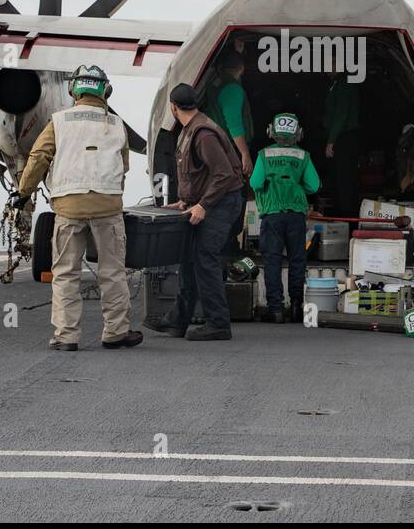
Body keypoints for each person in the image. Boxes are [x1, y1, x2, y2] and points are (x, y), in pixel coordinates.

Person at [14, 65, 141, 352]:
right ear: (105, 91)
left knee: (65, 273)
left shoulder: (59, 121)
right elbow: (124, 166)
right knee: (112, 271)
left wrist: (23, 193)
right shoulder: (116, 124)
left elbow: (38, 158)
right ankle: (116, 332)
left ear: (74, 89)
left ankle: (66, 336)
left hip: (68, 206)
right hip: (108, 205)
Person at [147, 82, 245, 342]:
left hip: (221, 203)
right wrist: (185, 201)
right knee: (190, 259)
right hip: (211, 201)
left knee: (204, 258)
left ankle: (218, 324)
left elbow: (224, 175)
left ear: (173, 107)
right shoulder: (193, 128)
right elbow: (203, 174)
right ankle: (178, 320)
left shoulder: (203, 134)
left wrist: (203, 205)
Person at [249, 112, 321, 323]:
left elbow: (254, 183)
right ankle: (297, 307)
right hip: (296, 217)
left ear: (271, 131)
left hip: (272, 217)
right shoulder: (303, 156)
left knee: (272, 261)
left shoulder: (264, 155)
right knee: (297, 260)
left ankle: (276, 310)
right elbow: (314, 185)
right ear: (298, 133)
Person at [204, 49, 254, 177]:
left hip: (217, 142)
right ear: (242, 68)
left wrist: (237, 51)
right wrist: (244, 153)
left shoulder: (218, 81)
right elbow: (234, 124)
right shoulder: (233, 89)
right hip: (230, 147)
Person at [324, 75, 361, 217]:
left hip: (344, 138)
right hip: (343, 137)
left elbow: (341, 114)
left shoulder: (344, 83)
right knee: (342, 179)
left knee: (343, 180)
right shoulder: (336, 83)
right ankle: (344, 216)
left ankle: (345, 218)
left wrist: (331, 141)